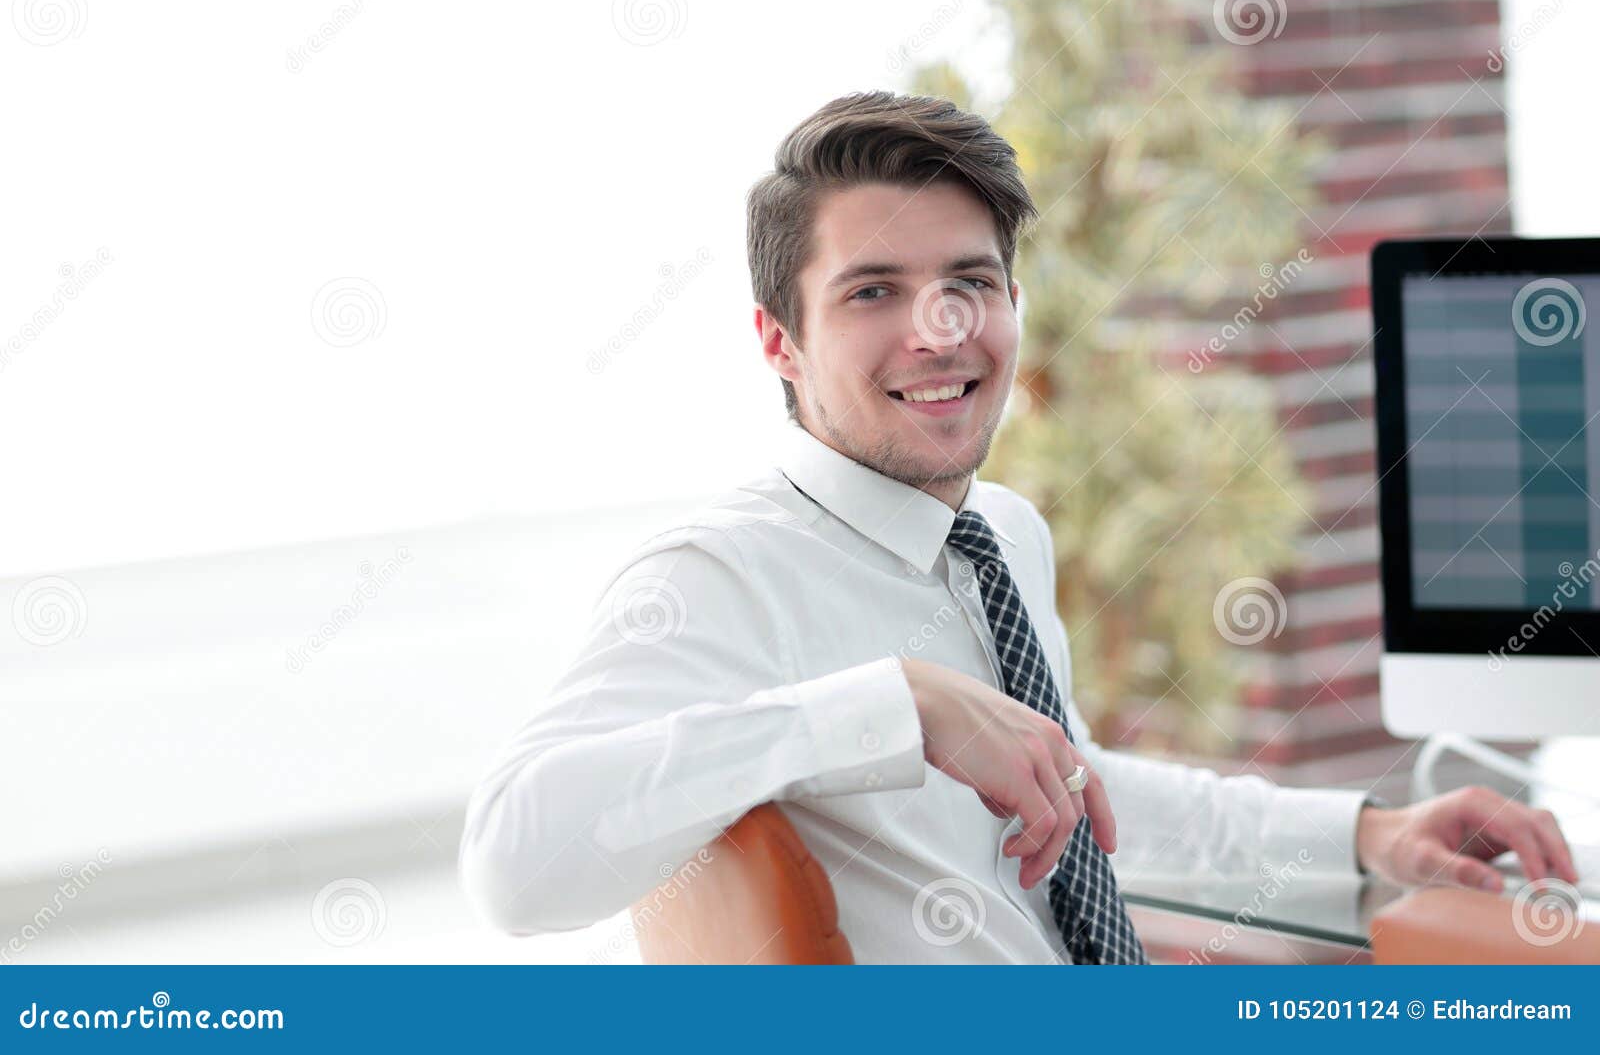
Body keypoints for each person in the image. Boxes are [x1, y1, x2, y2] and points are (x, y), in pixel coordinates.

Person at [458, 91, 1580, 963]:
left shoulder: (999, 534)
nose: (941, 329)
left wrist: (1364, 835)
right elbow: (510, 865)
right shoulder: (725, 574)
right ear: (778, 341)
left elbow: (1070, 790)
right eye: (872, 291)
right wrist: (892, 705)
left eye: (971, 281)